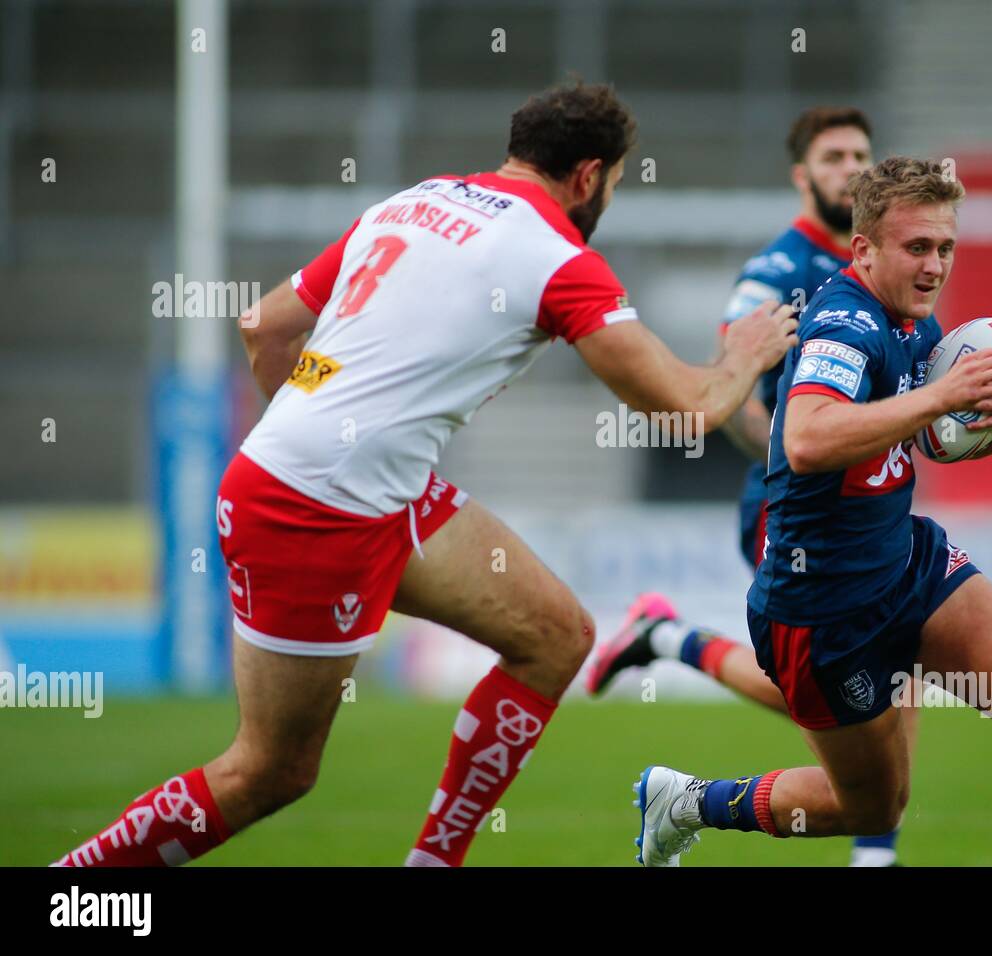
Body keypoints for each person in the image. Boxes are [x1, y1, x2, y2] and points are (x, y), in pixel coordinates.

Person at [51, 80, 796, 869]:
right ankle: (74, 891)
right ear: (589, 176)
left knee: (556, 636)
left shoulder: (415, 201)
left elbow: (263, 324)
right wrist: (745, 352)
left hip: (354, 486)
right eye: (613, 182)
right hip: (318, 508)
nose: (607, 197)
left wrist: (318, 429)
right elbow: (681, 408)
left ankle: (434, 863)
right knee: (269, 771)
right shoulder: (557, 258)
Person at [633, 157, 992, 868]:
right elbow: (809, 438)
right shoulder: (845, 324)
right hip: (824, 610)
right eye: (917, 248)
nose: (935, 266)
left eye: (945, 248)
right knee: (870, 808)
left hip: (908, 564)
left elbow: (934, 442)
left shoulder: (914, 319)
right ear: (865, 249)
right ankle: (688, 802)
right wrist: (943, 396)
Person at [587, 108, 915, 866]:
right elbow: (730, 370)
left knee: (890, 674)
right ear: (803, 176)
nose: (851, 167)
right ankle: (671, 641)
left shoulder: (886, 269)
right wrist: (791, 465)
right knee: (833, 695)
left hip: (869, 511)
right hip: (794, 511)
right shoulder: (778, 271)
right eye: (834, 156)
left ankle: (662, 636)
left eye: (862, 154)